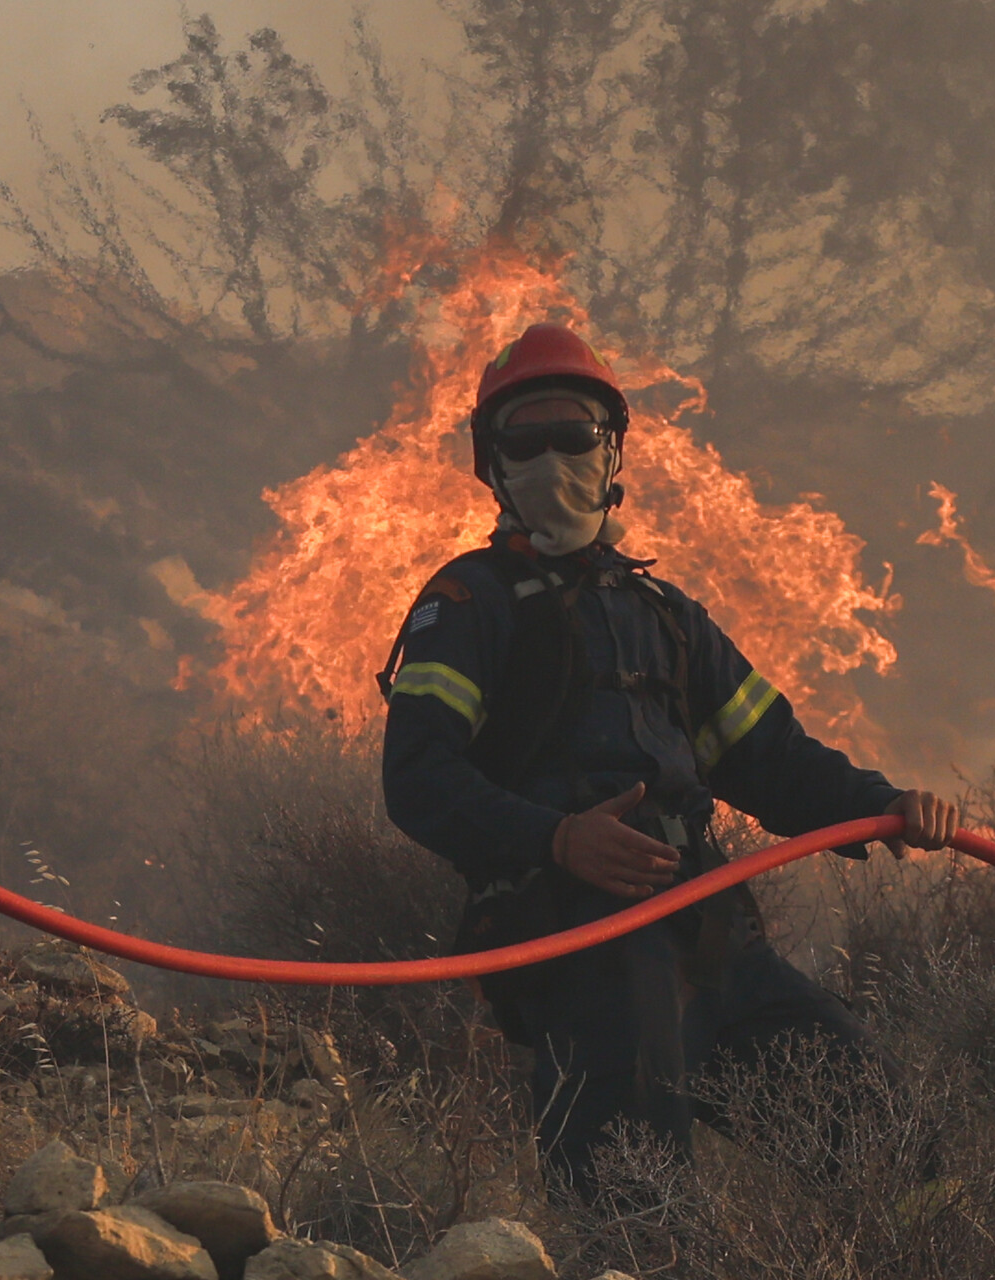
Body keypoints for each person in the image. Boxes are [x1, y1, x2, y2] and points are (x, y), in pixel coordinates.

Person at [380, 321, 958, 1203]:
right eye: (523, 441)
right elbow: (419, 779)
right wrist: (557, 840)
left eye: (571, 435)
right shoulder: (467, 604)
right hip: (585, 952)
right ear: (491, 465)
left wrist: (889, 804)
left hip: (714, 940)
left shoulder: (666, 615)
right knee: (636, 1215)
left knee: (887, 1142)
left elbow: (773, 760)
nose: (549, 459)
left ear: (611, 452)